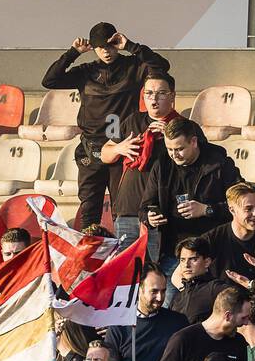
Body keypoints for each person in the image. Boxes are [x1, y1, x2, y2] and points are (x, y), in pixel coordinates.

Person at [43, 23, 170, 230]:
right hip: (90, 148)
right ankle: (89, 254)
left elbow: (162, 67)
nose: (106, 51)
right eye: (101, 47)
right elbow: (49, 80)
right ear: (93, 47)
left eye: (111, 46)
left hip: (122, 146)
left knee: (121, 208)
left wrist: (131, 46)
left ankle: (122, 254)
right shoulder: (86, 71)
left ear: (116, 44)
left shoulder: (133, 67)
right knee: (89, 208)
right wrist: (73, 52)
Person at [141, 118, 241, 276]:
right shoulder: (162, 166)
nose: (174, 155)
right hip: (174, 252)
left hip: (212, 251)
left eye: (180, 149)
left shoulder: (220, 164)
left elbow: (240, 204)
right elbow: (145, 206)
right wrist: (150, 217)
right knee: (168, 301)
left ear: (194, 142)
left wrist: (206, 210)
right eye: (169, 149)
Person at [103, 70, 178, 259]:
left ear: (172, 96)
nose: (154, 99)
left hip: (159, 212)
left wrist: (170, 137)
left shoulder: (182, 127)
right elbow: (105, 154)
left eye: (161, 93)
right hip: (128, 207)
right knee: (126, 270)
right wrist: (120, 148)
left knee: (154, 271)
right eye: (149, 93)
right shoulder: (133, 120)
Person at [104, 265, 187, 361]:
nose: (160, 297)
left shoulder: (178, 322)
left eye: (163, 291)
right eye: (154, 291)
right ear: (139, 289)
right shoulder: (118, 327)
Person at [205, 183, 255, 299]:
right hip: (223, 310)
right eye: (248, 209)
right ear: (232, 210)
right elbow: (180, 273)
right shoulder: (212, 239)